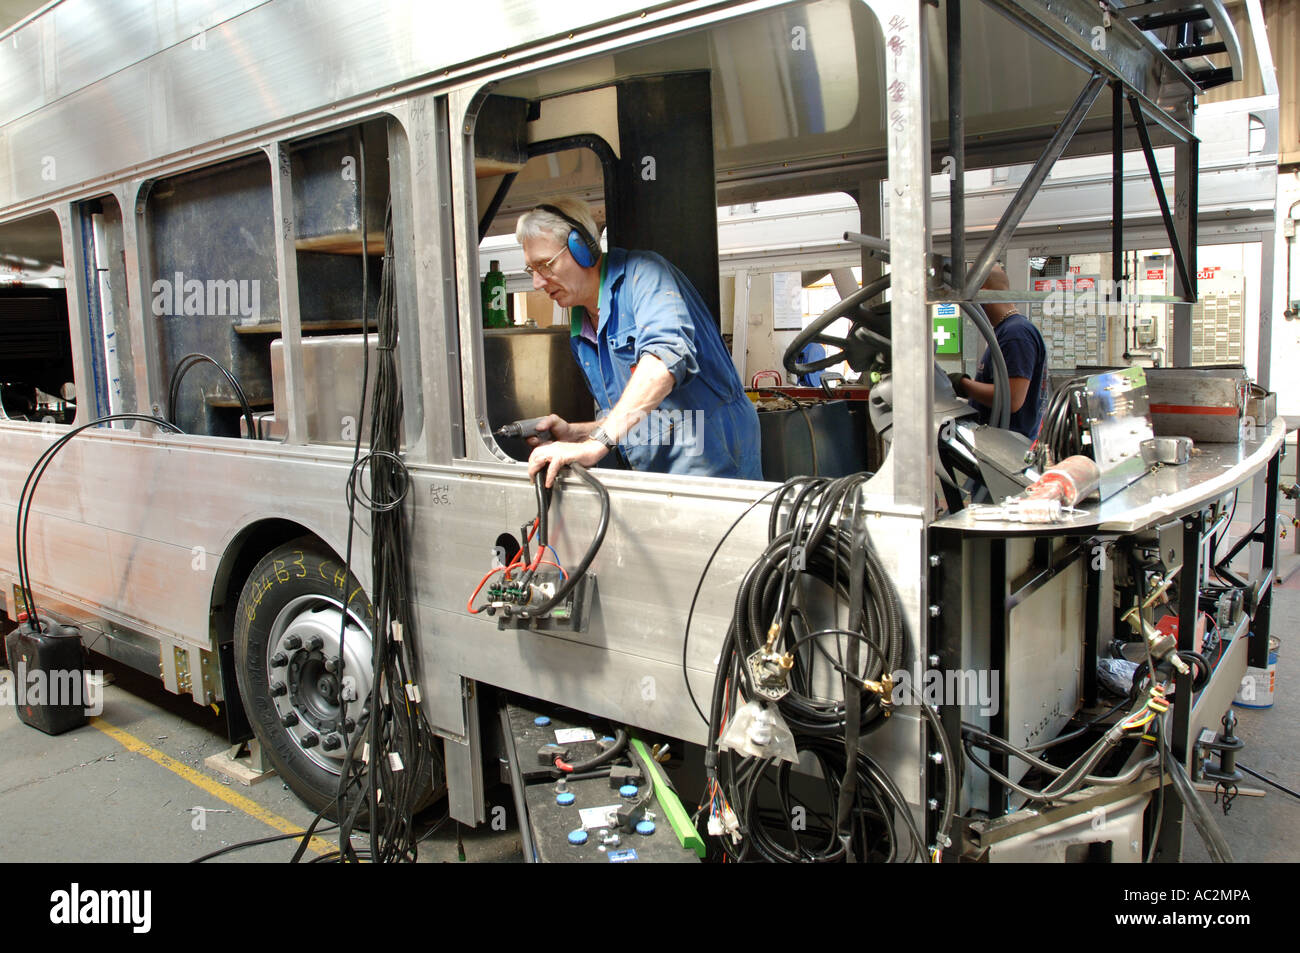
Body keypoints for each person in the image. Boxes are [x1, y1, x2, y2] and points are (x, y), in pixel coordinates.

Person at [515, 199, 762, 486]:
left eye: (544, 265)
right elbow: (637, 419)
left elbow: (663, 363)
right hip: (655, 479)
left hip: (713, 467)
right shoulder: (581, 330)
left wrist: (594, 446)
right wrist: (577, 433)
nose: (537, 283)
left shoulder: (644, 276)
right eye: (530, 270)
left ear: (582, 248)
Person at [950, 265, 1049, 441]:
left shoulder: (1016, 334)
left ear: (983, 291)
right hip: (1000, 444)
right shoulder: (1006, 330)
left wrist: (962, 384)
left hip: (1009, 447)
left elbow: (1012, 399)